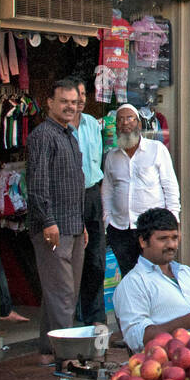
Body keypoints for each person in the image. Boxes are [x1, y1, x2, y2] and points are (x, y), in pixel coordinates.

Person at [27, 78, 88, 362]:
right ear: (49, 102)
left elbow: (74, 183)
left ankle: (47, 350)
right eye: (64, 101)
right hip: (54, 227)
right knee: (62, 295)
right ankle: (67, 356)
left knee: (63, 293)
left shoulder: (69, 135)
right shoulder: (42, 136)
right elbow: (38, 185)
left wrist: (82, 224)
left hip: (73, 225)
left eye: (74, 102)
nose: (70, 107)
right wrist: (48, 221)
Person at [113, 208, 190, 353]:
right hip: (169, 362)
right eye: (163, 239)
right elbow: (136, 339)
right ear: (143, 241)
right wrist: (184, 323)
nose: (171, 245)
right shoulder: (134, 283)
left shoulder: (186, 273)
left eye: (174, 238)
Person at [103, 103, 181, 275]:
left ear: (138, 124)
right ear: (116, 127)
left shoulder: (156, 149)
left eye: (129, 118)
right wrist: (107, 219)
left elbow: (170, 186)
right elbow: (107, 190)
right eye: (120, 120)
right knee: (129, 276)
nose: (125, 123)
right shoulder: (111, 156)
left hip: (152, 229)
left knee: (157, 274)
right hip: (120, 229)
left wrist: (173, 220)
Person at [74, 80, 107, 326]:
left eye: (84, 93)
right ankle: (71, 318)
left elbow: (97, 163)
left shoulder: (93, 125)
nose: (81, 98)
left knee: (95, 260)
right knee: (71, 259)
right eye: (76, 94)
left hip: (92, 195)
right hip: (68, 196)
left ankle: (95, 317)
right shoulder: (58, 129)